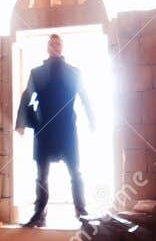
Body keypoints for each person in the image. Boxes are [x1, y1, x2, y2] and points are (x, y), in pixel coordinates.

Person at [14, 33, 95, 227]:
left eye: (58, 43)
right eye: (52, 44)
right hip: (44, 128)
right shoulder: (37, 72)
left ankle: (81, 211)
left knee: (75, 171)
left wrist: (92, 120)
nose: (55, 46)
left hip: (66, 128)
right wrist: (21, 123)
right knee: (42, 174)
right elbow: (27, 96)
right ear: (47, 47)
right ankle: (39, 213)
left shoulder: (74, 72)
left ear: (62, 47)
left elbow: (84, 96)